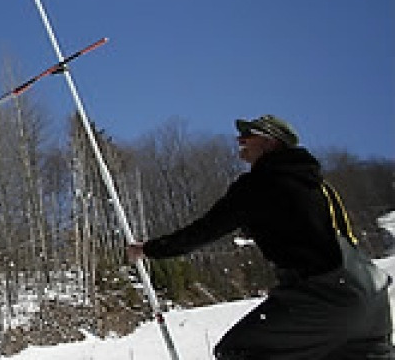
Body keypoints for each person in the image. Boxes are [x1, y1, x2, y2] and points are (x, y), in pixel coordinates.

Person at [127, 114, 394, 359]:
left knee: (238, 351)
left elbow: (204, 231)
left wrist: (148, 249)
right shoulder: (321, 187)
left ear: (270, 143)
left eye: (248, 134)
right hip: (373, 301)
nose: (239, 140)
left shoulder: (260, 185)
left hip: (326, 297)